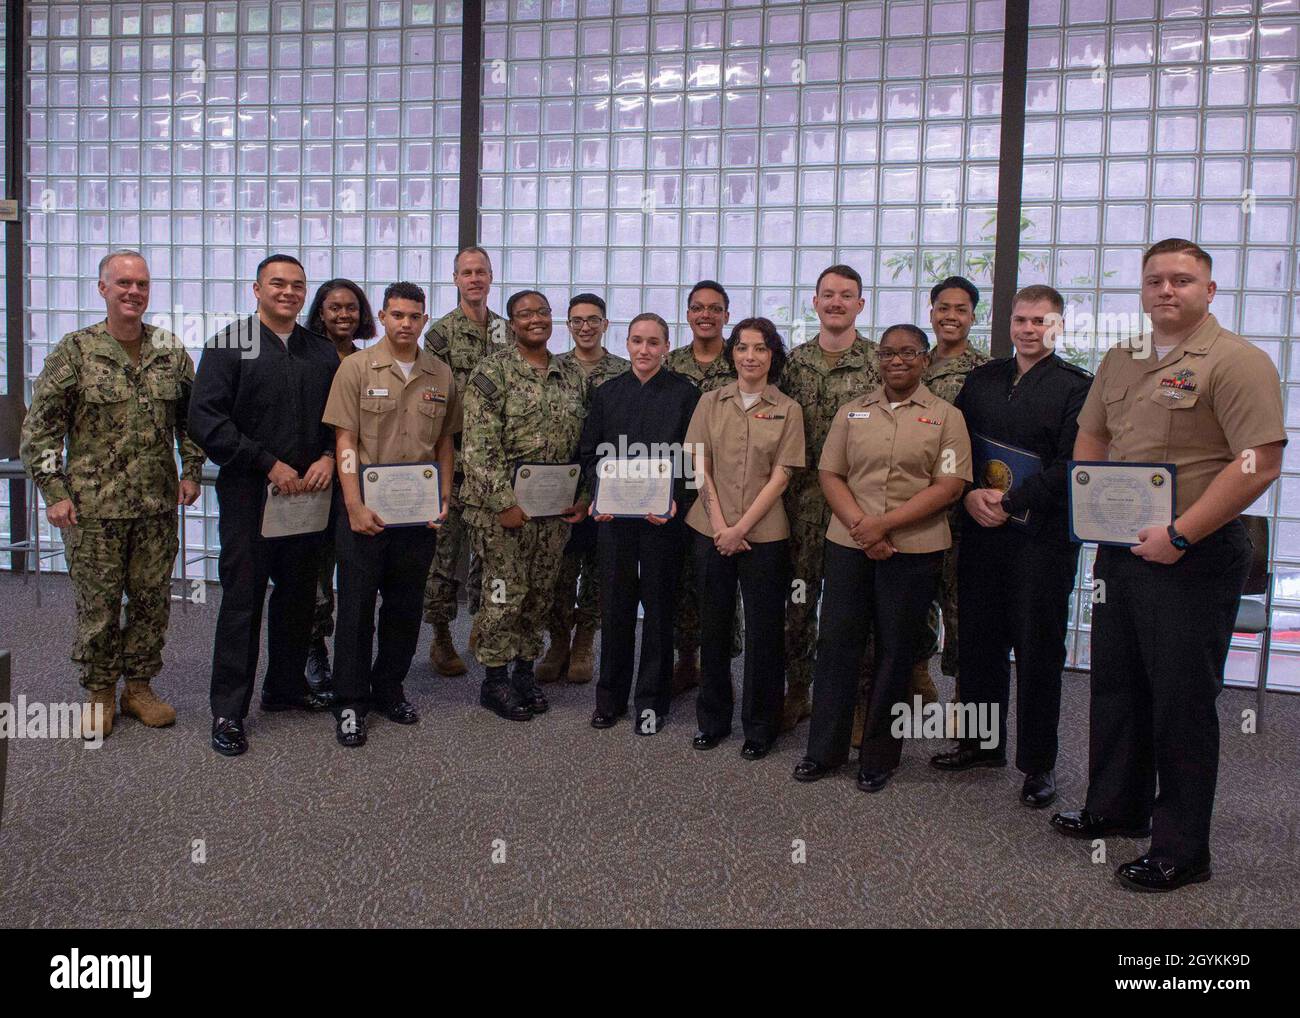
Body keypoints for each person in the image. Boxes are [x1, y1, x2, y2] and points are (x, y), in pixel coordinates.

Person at [1051, 238, 1284, 892]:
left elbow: (1257, 463)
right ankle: (1117, 807)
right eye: (1155, 279)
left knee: (1181, 700)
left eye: (1182, 280)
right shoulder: (1121, 359)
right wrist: (1095, 508)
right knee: (1117, 683)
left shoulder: (1236, 362)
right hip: (1120, 548)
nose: (1166, 290)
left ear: (1209, 291)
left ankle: (1182, 849)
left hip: (1194, 552)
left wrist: (1180, 534)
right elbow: (1092, 436)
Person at [19, 250, 203, 740]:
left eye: (141, 284)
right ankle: (99, 691)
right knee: (98, 606)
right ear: (102, 288)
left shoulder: (169, 349)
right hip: (92, 509)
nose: (133, 292)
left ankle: (138, 688)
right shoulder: (74, 352)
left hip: (156, 506)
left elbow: (193, 419)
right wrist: (53, 492)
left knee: (150, 601)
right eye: (122, 283)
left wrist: (193, 470)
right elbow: (39, 432)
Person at [929, 285, 1092, 810]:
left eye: (1041, 321)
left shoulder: (1076, 389)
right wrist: (972, 493)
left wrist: (1013, 498)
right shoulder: (981, 381)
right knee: (979, 644)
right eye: (1021, 319)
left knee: (1039, 652)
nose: (1028, 329)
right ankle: (980, 744)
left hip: (1041, 541)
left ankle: (1037, 765)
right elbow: (954, 448)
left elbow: (1073, 466)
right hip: (982, 531)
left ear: (1058, 326)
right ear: (1009, 324)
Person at [792, 324, 971, 792]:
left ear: (924, 360)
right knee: (837, 646)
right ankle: (824, 750)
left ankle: (879, 756)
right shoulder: (852, 413)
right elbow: (831, 473)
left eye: (908, 353)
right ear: (878, 360)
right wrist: (863, 527)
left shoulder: (947, 417)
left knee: (896, 653)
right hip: (850, 545)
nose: (897, 360)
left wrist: (884, 526)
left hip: (913, 550)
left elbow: (949, 486)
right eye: (889, 353)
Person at [188, 254, 340, 756]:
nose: (289, 292)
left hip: (310, 494)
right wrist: (266, 462)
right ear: (256, 289)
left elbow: (338, 418)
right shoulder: (228, 347)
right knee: (243, 601)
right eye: (278, 284)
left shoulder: (320, 351)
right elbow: (206, 421)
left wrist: (324, 456)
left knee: (299, 597)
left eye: (298, 285)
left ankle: (285, 689)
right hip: (250, 492)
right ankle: (229, 711)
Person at [322, 282, 457, 747]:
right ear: (382, 316)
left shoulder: (440, 374)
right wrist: (354, 505)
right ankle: (351, 702)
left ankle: (389, 688)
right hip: (366, 512)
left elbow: (444, 443)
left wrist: (444, 496)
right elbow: (344, 444)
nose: (405, 323)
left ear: (424, 320)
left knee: (405, 606)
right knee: (357, 608)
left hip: (417, 515)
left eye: (414, 316)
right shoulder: (355, 369)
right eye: (396, 314)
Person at [461, 289, 589, 721]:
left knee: (540, 594)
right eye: (525, 314)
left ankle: (523, 672)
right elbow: (478, 447)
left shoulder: (570, 375)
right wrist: (502, 502)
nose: (535, 319)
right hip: (504, 514)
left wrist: (583, 494)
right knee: (502, 593)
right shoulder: (492, 371)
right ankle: (494, 680)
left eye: (542, 312)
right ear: (511, 323)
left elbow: (584, 445)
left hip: (553, 513)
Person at [687, 319, 805, 757]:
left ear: (773, 355)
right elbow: (698, 467)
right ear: (731, 354)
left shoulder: (788, 409)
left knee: (764, 632)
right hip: (710, 530)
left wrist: (740, 528)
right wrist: (721, 526)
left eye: (760, 348)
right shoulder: (709, 402)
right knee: (713, 628)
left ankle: (760, 727)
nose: (750, 356)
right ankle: (712, 721)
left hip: (764, 533)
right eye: (742, 347)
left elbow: (783, 476)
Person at [583, 314, 698, 734]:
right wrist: (600, 494)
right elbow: (589, 451)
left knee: (659, 611)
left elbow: (693, 458)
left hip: (662, 520)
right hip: (614, 521)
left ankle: (651, 701)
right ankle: (609, 699)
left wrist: (675, 500)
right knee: (614, 608)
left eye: (653, 342)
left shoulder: (686, 394)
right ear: (626, 344)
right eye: (637, 341)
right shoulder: (607, 393)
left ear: (667, 346)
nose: (644, 349)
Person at [779, 264, 880, 734]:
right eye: (827, 294)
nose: (836, 302)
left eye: (846, 295)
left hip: (858, 507)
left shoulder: (882, 363)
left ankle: (858, 701)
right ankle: (797, 690)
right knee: (798, 601)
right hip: (799, 506)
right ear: (815, 303)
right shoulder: (793, 363)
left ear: (861, 304)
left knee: (856, 608)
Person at [423, 246, 509, 676]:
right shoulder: (439, 334)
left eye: (482, 272)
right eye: (467, 272)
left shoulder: (506, 331)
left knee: (489, 555)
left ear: (492, 277)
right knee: (444, 554)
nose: (475, 279)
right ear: (455, 279)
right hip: (454, 462)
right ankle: (439, 637)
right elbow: (435, 403)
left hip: (495, 466)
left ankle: (480, 626)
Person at [536, 294, 630, 685]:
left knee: (596, 569)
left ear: (606, 324)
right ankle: (558, 640)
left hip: (607, 484)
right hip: (561, 484)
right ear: (568, 325)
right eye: (577, 320)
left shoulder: (623, 372)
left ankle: (584, 641)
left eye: (593, 319)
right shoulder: (552, 368)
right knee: (559, 568)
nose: (585, 327)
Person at [301, 278, 378, 695]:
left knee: (352, 571)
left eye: (351, 308)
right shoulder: (303, 356)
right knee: (314, 573)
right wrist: (324, 457)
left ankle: (352, 659)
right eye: (335, 308)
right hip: (311, 478)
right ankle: (314, 650)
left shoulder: (368, 361)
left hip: (355, 480)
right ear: (320, 311)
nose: (343, 315)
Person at [913, 275, 988, 696]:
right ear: (932, 312)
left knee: (960, 600)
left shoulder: (987, 371)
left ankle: (963, 691)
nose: (951, 316)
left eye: (960, 310)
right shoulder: (913, 363)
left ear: (973, 317)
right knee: (917, 593)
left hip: (962, 502)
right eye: (944, 308)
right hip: (913, 497)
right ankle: (918, 675)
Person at [666, 280, 739, 693]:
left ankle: (721, 664)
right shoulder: (672, 364)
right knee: (684, 578)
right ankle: (686, 658)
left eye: (714, 308)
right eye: (697, 307)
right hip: (678, 487)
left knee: (724, 578)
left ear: (726, 315)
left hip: (730, 486)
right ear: (688, 314)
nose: (705, 315)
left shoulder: (743, 359)